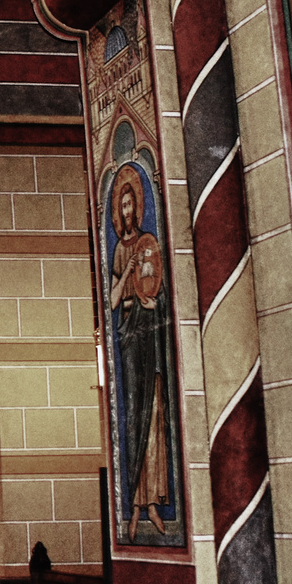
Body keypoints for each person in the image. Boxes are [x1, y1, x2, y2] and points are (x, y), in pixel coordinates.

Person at [108, 164, 170, 540]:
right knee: (132, 415)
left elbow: (156, 292)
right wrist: (127, 268)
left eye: (132, 205)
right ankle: (132, 504)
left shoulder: (149, 243)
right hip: (127, 339)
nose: (129, 212)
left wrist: (153, 306)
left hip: (149, 335)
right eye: (124, 206)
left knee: (155, 414)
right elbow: (113, 300)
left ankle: (151, 505)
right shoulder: (119, 251)